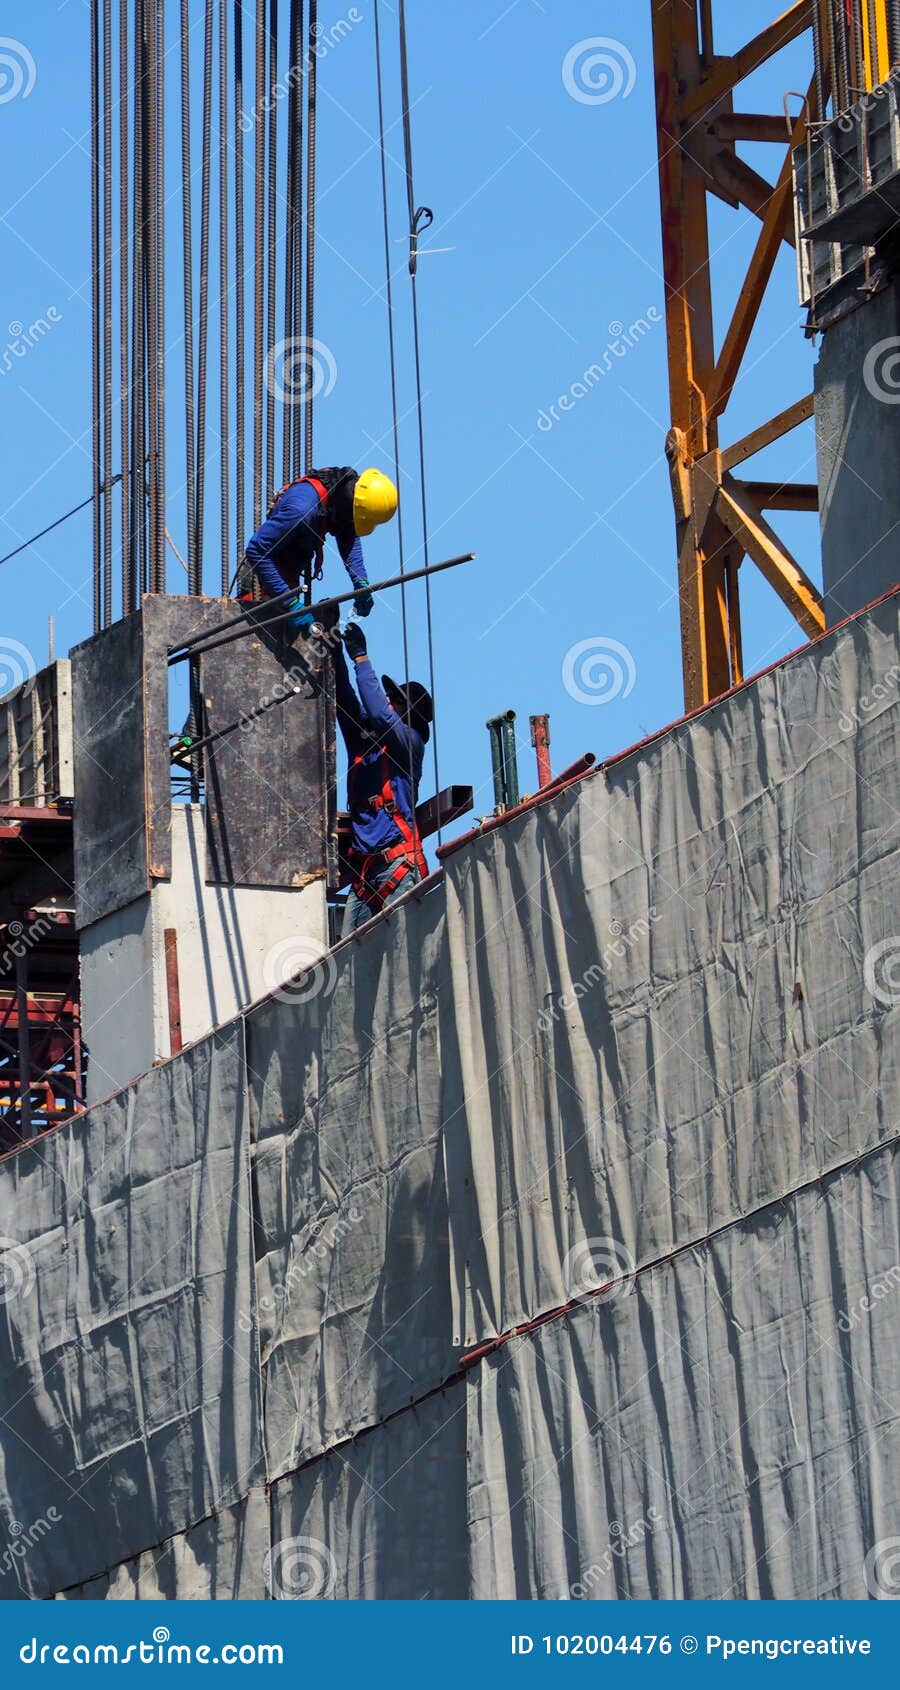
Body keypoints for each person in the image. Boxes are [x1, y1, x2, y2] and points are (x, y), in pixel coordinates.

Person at [334, 620, 433, 935]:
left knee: (405, 954)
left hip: (398, 866)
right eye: (387, 696)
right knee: (347, 960)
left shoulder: (409, 742)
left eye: (394, 699)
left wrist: (360, 658)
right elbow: (344, 698)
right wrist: (333, 645)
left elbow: (378, 713)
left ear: (406, 713)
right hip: (367, 873)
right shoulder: (364, 745)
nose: (387, 700)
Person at [241, 465, 398, 635]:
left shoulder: (341, 492)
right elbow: (257, 550)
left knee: (288, 633)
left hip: (288, 574)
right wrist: (289, 602)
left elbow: (347, 533)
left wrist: (360, 582)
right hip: (262, 577)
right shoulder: (301, 511)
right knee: (260, 635)